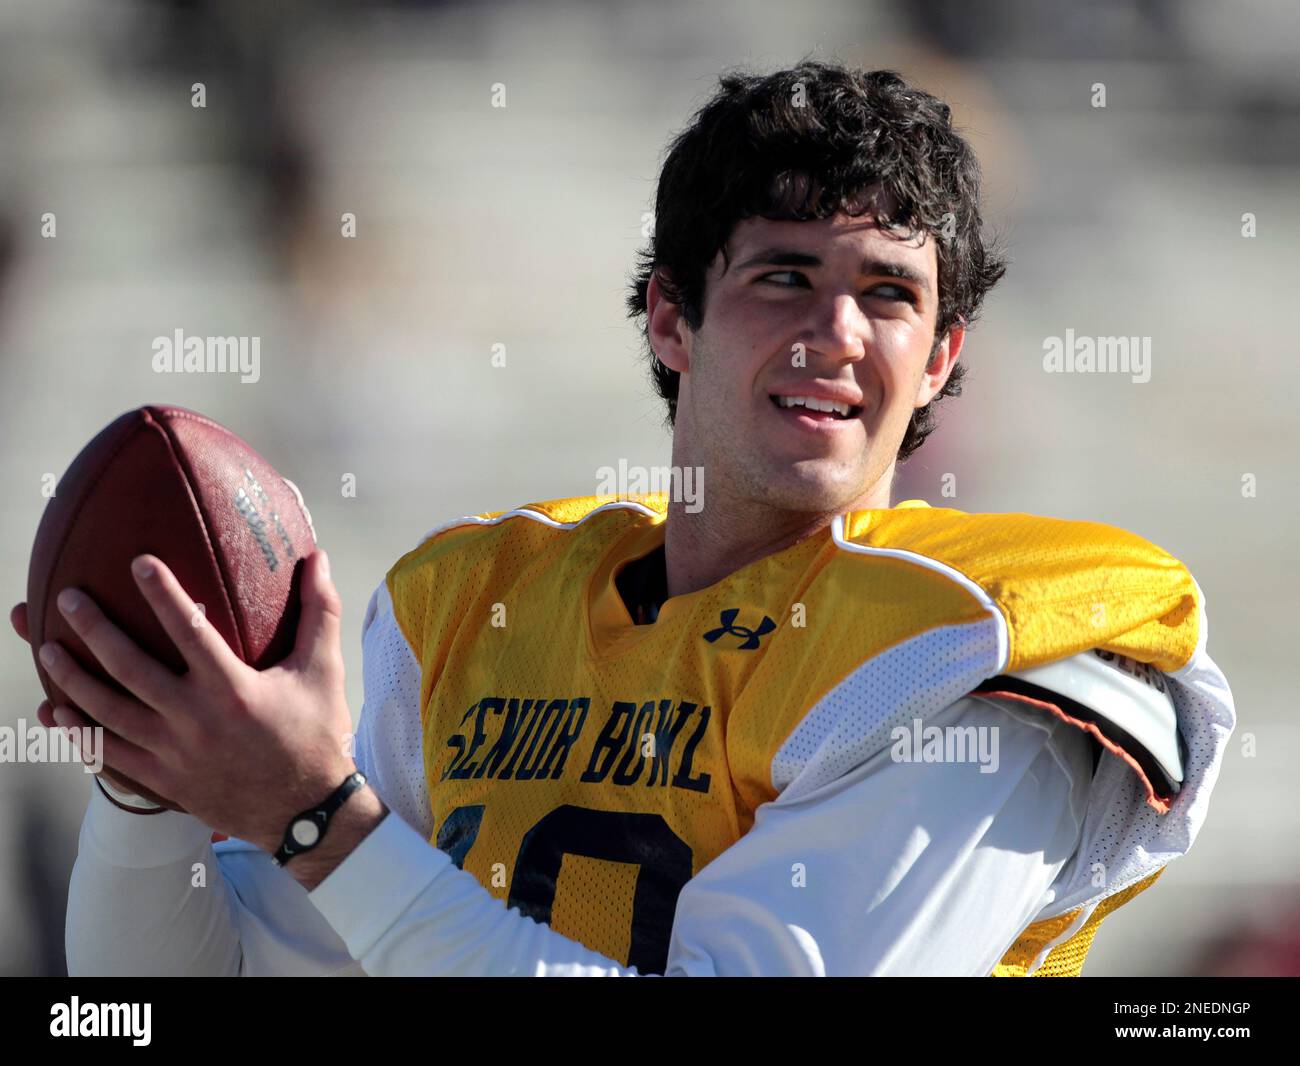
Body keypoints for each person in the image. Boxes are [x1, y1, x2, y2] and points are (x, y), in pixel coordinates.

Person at [13, 61, 1233, 976]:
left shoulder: (978, 657)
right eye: (782, 276)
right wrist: (155, 775)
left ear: (943, 355)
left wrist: (320, 818)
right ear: (668, 319)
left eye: (889, 294)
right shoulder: (475, 605)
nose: (838, 334)